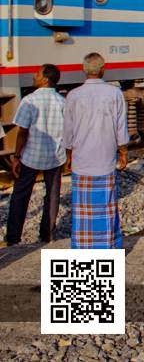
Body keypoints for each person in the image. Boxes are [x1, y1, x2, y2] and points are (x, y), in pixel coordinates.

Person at [62, 53, 129, 248]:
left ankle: (83, 247)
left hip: (82, 161)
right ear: (103, 69)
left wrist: (68, 155)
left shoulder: (73, 95)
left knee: (82, 209)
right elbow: (120, 128)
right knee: (107, 206)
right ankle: (107, 247)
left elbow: (68, 131)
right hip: (106, 160)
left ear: (84, 70)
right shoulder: (114, 93)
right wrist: (123, 152)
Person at [5, 65, 65, 247]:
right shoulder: (63, 102)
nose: (34, 76)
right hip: (55, 156)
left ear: (45, 79)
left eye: (37, 74)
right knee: (52, 195)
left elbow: (22, 132)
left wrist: (16, 156)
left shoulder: (30, 100)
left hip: (31, 155)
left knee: (20, 195)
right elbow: (68, 132)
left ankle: (13, 238)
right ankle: (47, 235)